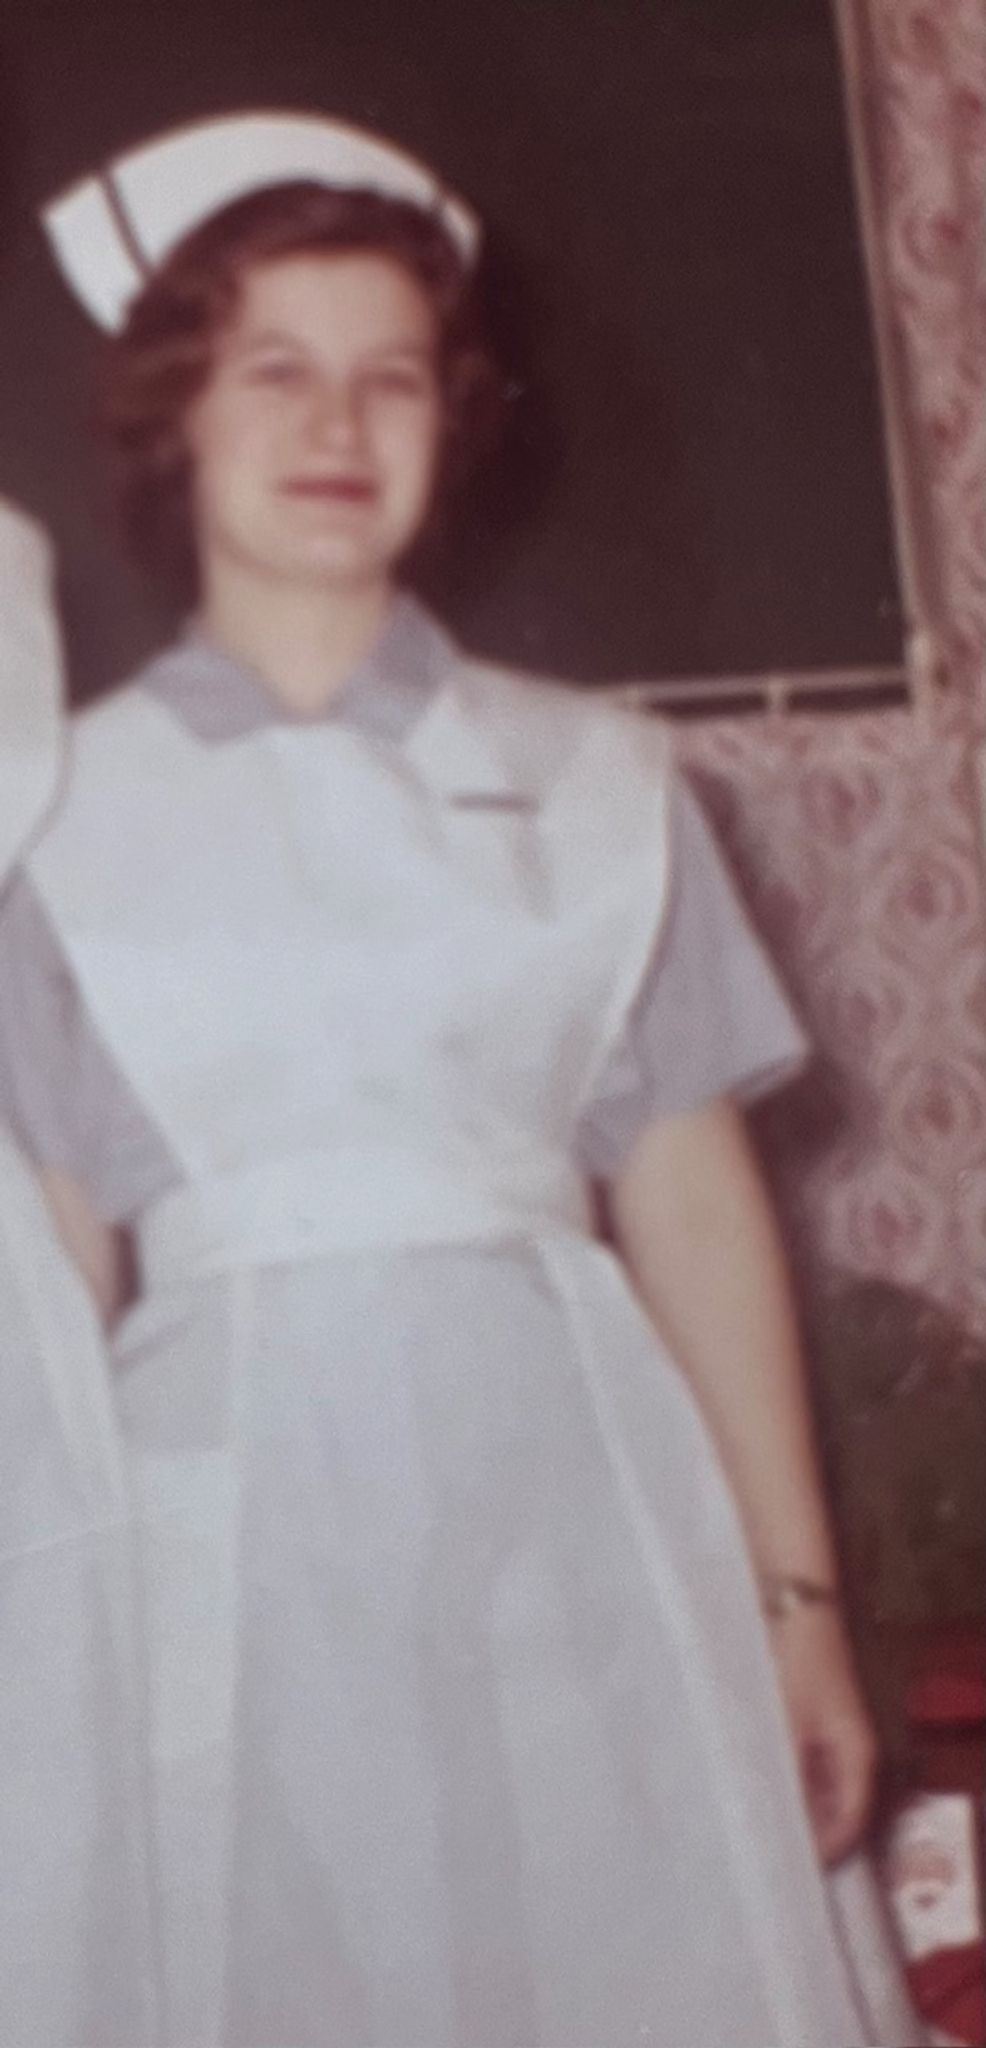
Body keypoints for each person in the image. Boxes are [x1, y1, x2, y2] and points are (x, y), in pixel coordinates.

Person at [0, 110, 914, 2048]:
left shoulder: (600, 785)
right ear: (174, 414)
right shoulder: (61, 818)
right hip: (220, 1539)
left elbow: (692, 1203)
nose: (338, 422)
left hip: (570, 1492)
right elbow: (54, 1276)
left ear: (452, 419)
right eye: (277, 370)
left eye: (392, 376)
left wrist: (797, 1605)